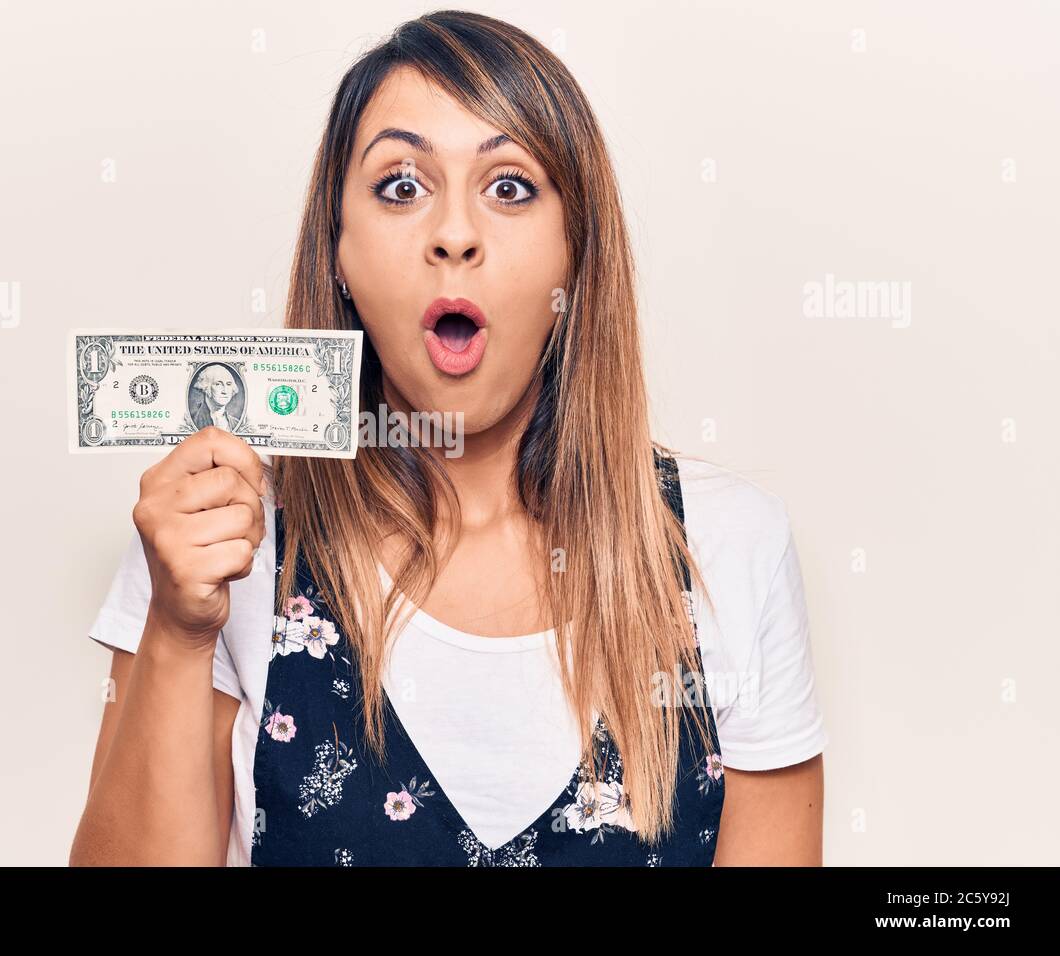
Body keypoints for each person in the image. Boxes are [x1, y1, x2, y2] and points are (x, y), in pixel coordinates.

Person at [69, 10, 827, 867]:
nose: (455, 233)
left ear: (573, 258)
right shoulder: (219, 539)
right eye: (400, 184)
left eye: (510, 187)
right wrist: (176, 629)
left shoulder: (730, 549)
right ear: (341, 256)